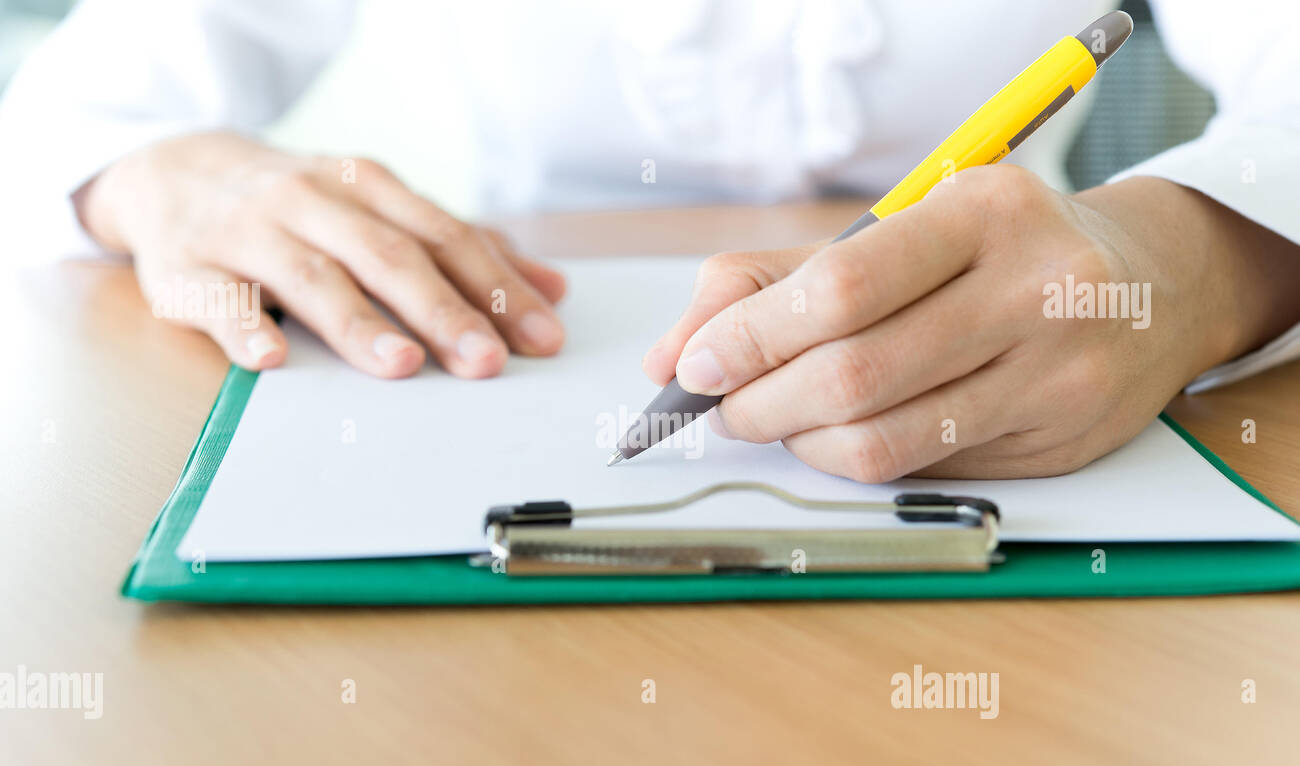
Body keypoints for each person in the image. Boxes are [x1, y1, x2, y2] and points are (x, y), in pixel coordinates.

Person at [2, 0, 1298, 481]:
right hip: (515, 326)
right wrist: (159, 170)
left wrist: (1184, 261)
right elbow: (64, 110)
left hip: (1031, 375)